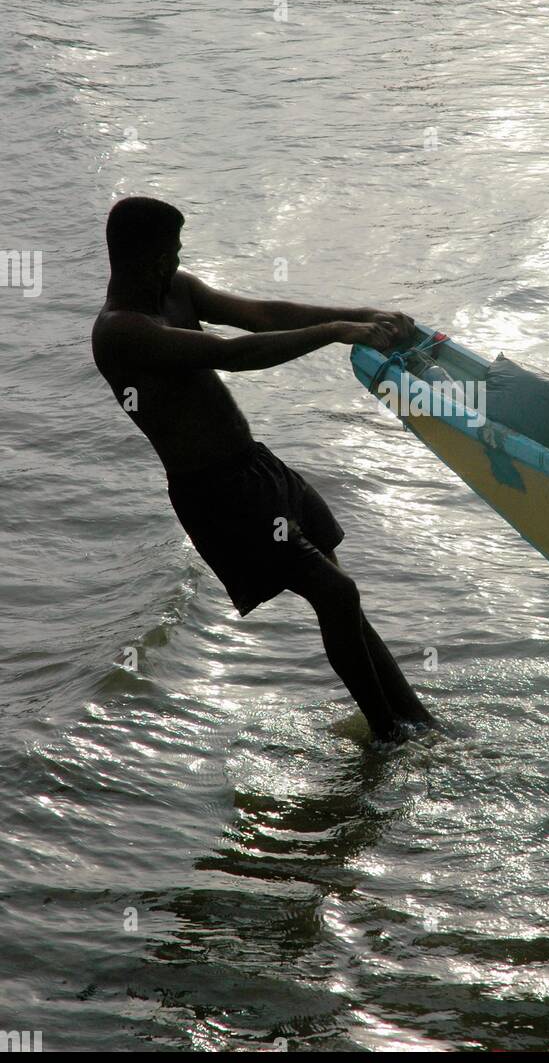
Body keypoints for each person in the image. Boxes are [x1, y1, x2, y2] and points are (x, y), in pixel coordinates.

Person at [91, 195, 435, 743]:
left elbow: (260, 315)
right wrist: (333, 333)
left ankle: (415, 721)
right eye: (171, 254)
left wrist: (359, 315)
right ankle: (387, 738)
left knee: (343, 597)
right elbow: (231, 353)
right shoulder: (120, 331)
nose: (178, 263)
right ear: (151, 258)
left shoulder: (177, 290)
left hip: (256, 467)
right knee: (336, 593)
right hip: (216, 493)